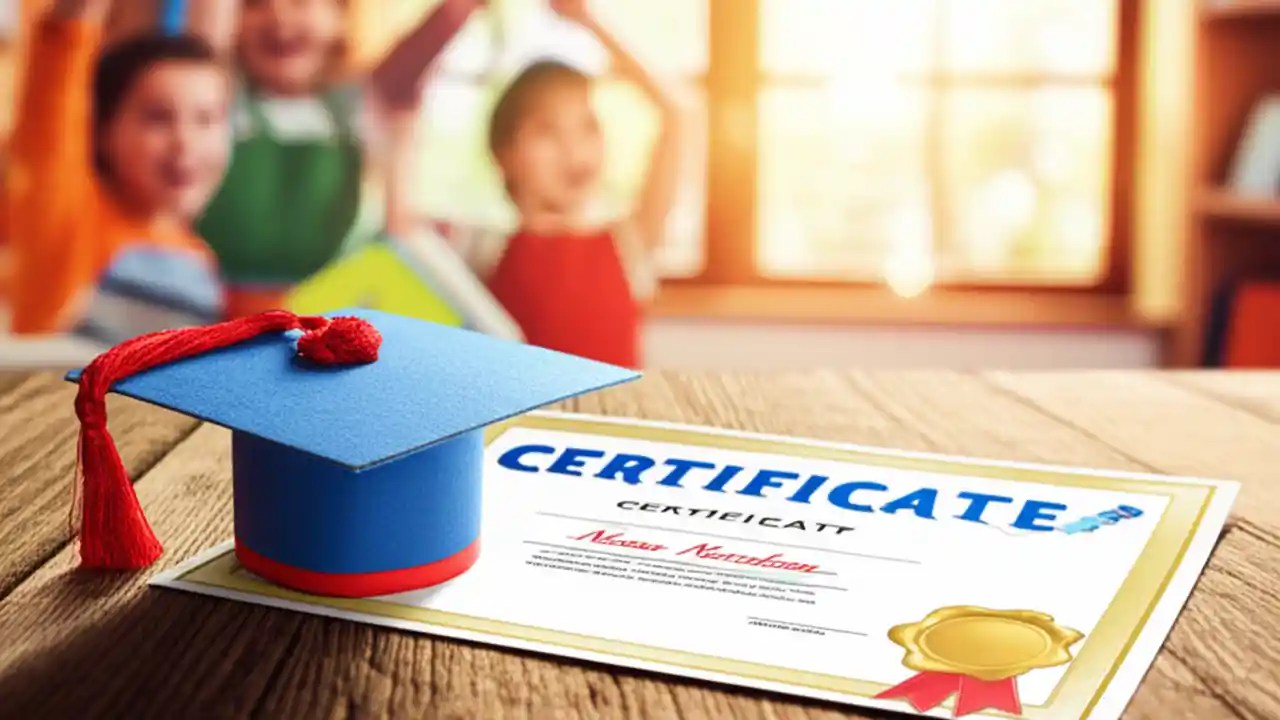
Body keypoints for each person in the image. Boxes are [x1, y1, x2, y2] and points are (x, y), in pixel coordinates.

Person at [188, 0, 485, 318]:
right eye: (255, 4)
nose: (278, 14)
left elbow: (437, 31)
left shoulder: (359, 103)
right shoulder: (218, 99)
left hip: (329, 314)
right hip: (215, 310)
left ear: (341, 18)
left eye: (300, 3)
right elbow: (203, 36)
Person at [443, 0, 685, 368]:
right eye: (547, 131)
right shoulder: (477, 248)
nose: (573, 149)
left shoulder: (630, 242)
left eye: (587, 127)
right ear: (503, 154)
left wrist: (589, 21)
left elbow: (679, 114)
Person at [4, 0, 229, 336]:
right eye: (157, 117)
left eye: (206, 119)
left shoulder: (201, 259)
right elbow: (60, 53)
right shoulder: (70, 222)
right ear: (103, 133)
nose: (185, 142)